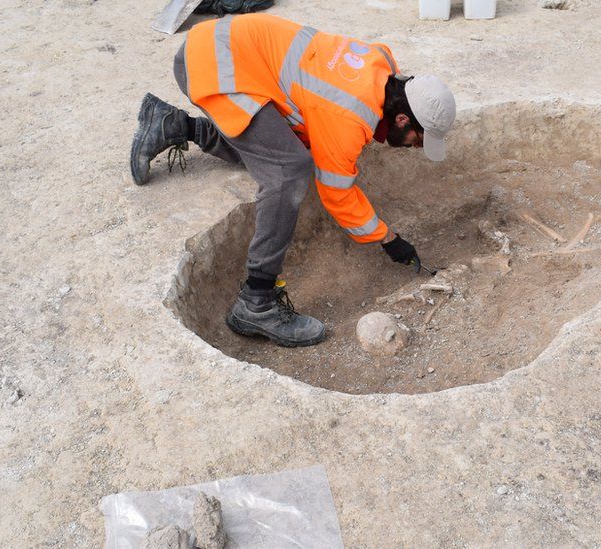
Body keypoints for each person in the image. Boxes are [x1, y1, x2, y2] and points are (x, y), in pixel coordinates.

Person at [130, 13, 456, 347]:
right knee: (289, 170)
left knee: (284, 148)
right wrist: (388, 239)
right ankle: (256, 299)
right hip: (216, 67)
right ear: (402, 118)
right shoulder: (349, 116)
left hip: (217, 48)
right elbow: (337, 194)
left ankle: (176, 126)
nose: (414, 147)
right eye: (417, 139)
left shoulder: (378, 64)